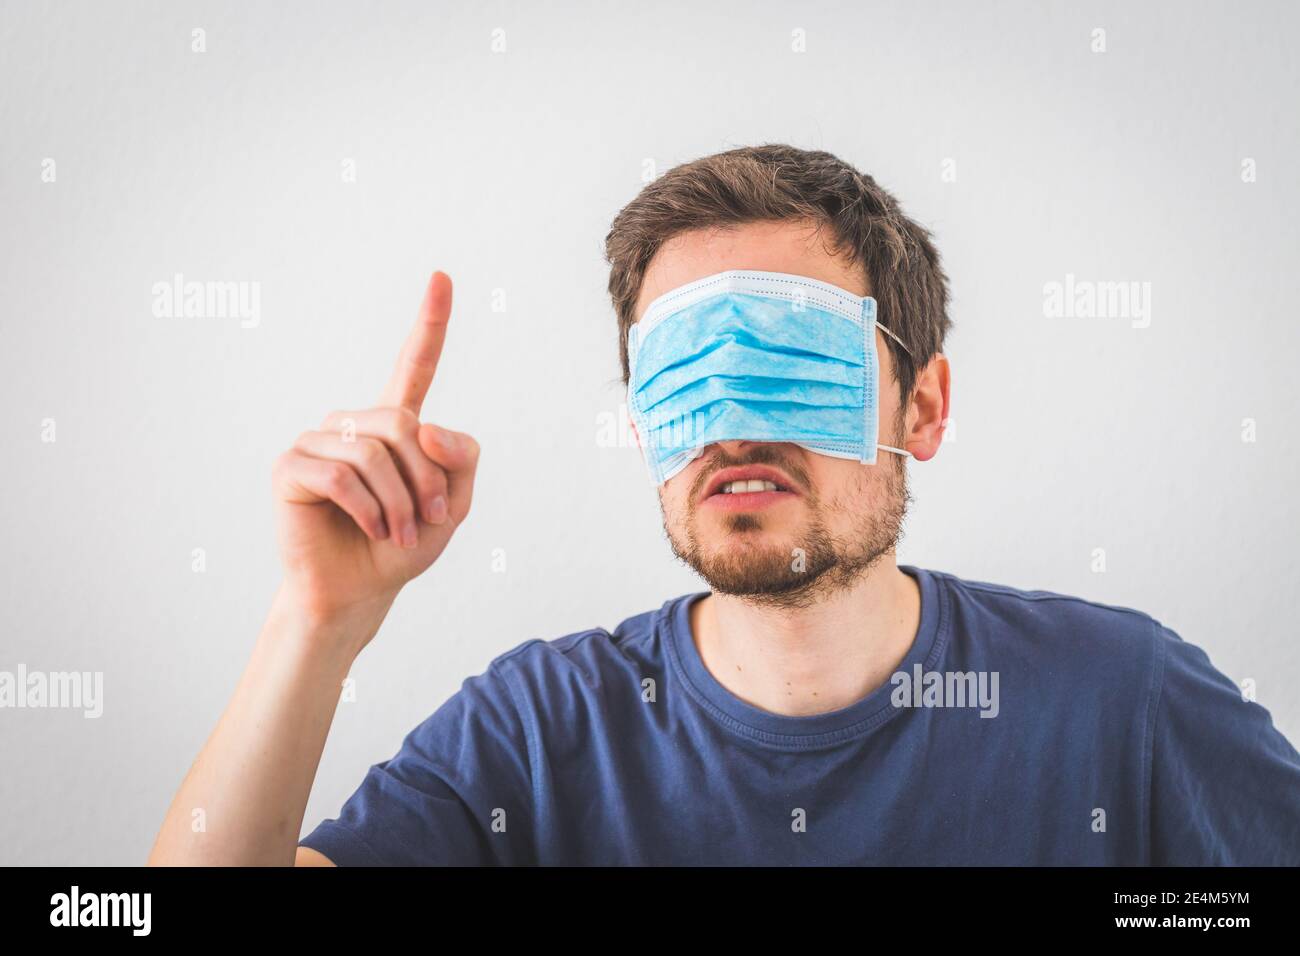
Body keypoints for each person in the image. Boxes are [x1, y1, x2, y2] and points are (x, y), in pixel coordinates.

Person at [149, 145, 1300, 866]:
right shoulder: (535, 734)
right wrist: (315, 620)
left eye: (799, 359)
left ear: (925, 406)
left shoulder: (1121, 702)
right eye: (685, 372)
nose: (733, 423)